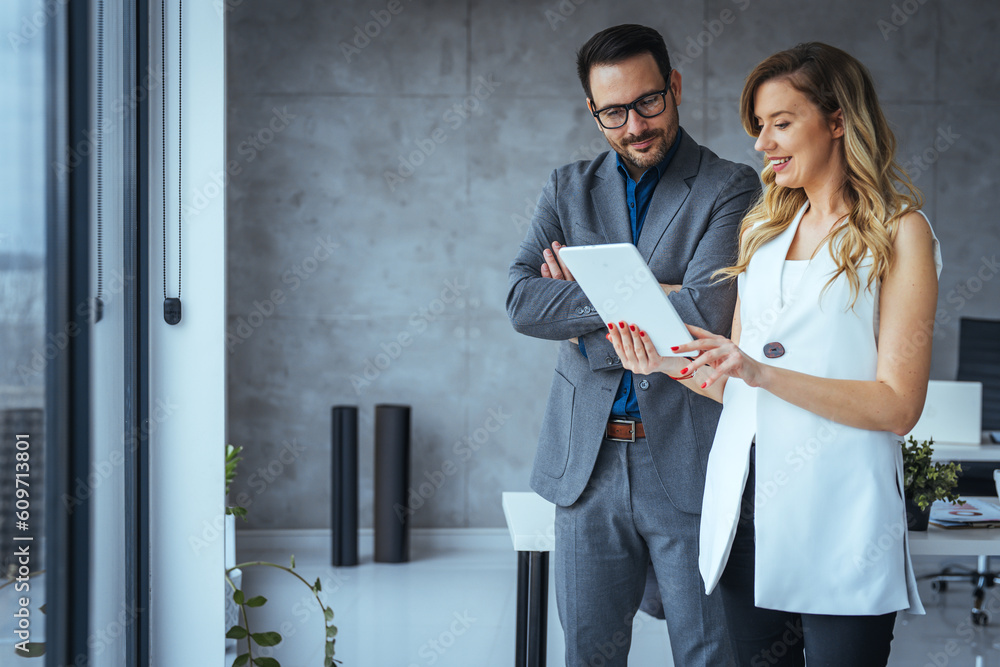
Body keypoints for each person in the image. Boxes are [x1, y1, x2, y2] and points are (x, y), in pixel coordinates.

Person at [607, 42, 940, 666]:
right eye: (760, 127)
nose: (763, 144)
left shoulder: (900, 232)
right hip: (745, 516)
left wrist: (761, 370)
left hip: (840, 516)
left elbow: (898, 406)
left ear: (838, 121)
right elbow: (735, 387)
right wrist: (663, 363)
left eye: (782, 123)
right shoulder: (765, 237)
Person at [506, 24, 759, 666]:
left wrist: (583, 291)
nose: (634, 125)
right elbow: (522, 302)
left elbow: (706, 310)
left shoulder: (731, 187)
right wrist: (653, 293)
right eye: (613, 112)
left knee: (709, 652)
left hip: (686, 456)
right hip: (586, 463)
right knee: (590, 654)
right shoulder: (567, 187)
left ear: (673, 87)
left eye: (648, 102)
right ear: (593, 111)